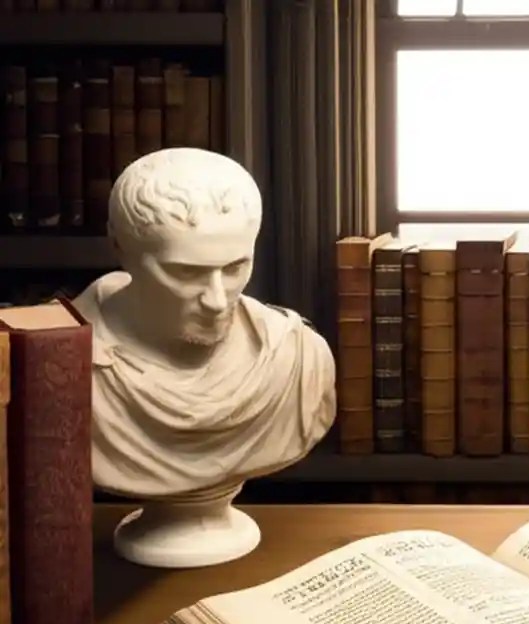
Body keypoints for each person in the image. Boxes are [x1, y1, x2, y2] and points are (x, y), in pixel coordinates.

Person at [73, 147, 336, 502]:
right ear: (120, 248)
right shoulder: (60, 370)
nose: (215, 299)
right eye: (185, 272)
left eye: (234, 268)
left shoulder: (299, 360)